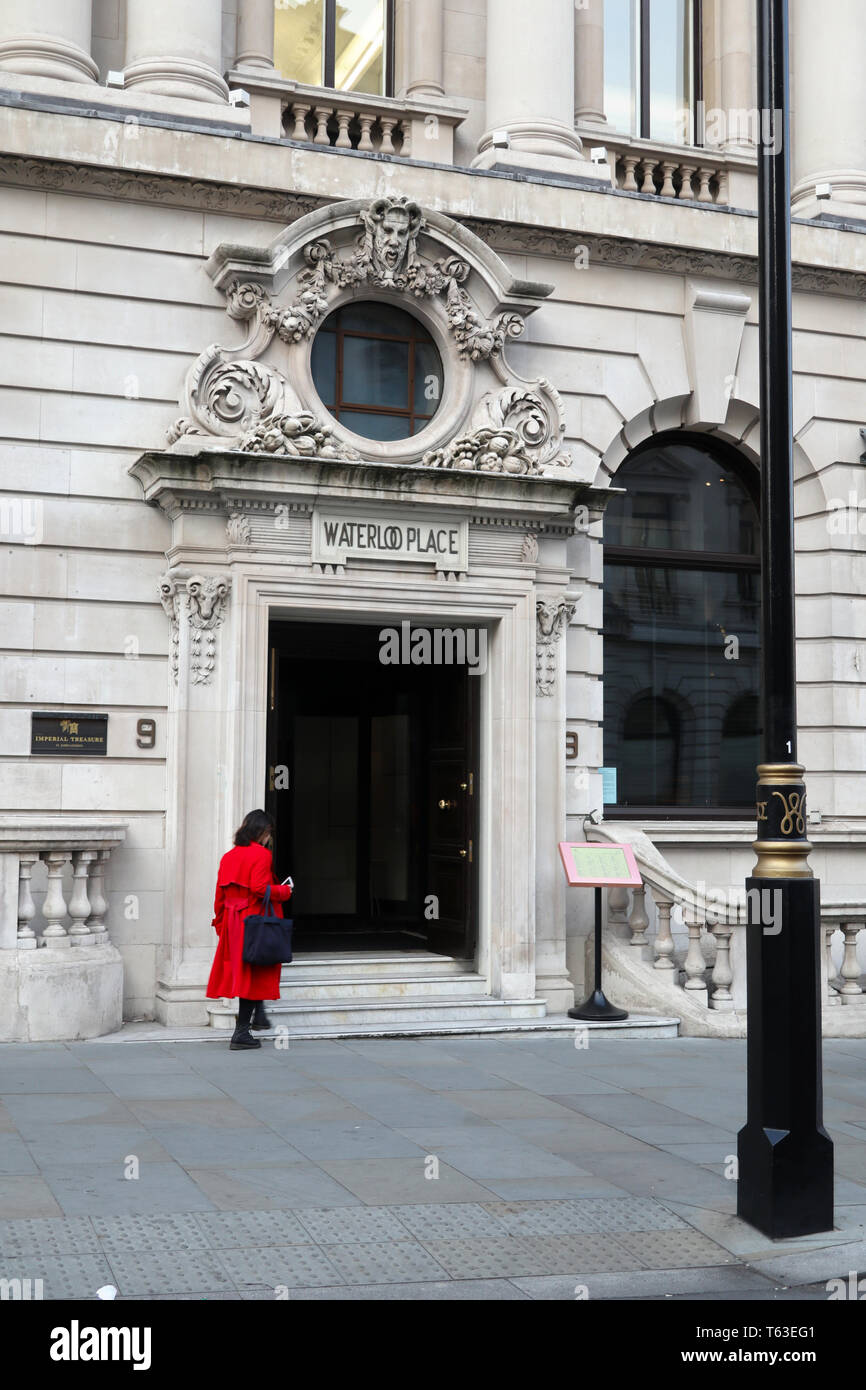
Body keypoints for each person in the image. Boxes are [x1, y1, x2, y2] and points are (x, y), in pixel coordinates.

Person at [206, 809, 293, 1051]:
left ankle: (255, 1019)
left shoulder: (229, 856)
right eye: (269, 833)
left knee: (249, 973)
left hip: (234, 923)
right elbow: (259, 888)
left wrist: (221, 924)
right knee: (255, 973)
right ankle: (242, 1031)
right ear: (263, 832)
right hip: (254, 921)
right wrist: (284, 892)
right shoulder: (261, 855)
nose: (269, 838)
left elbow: (219, 896)